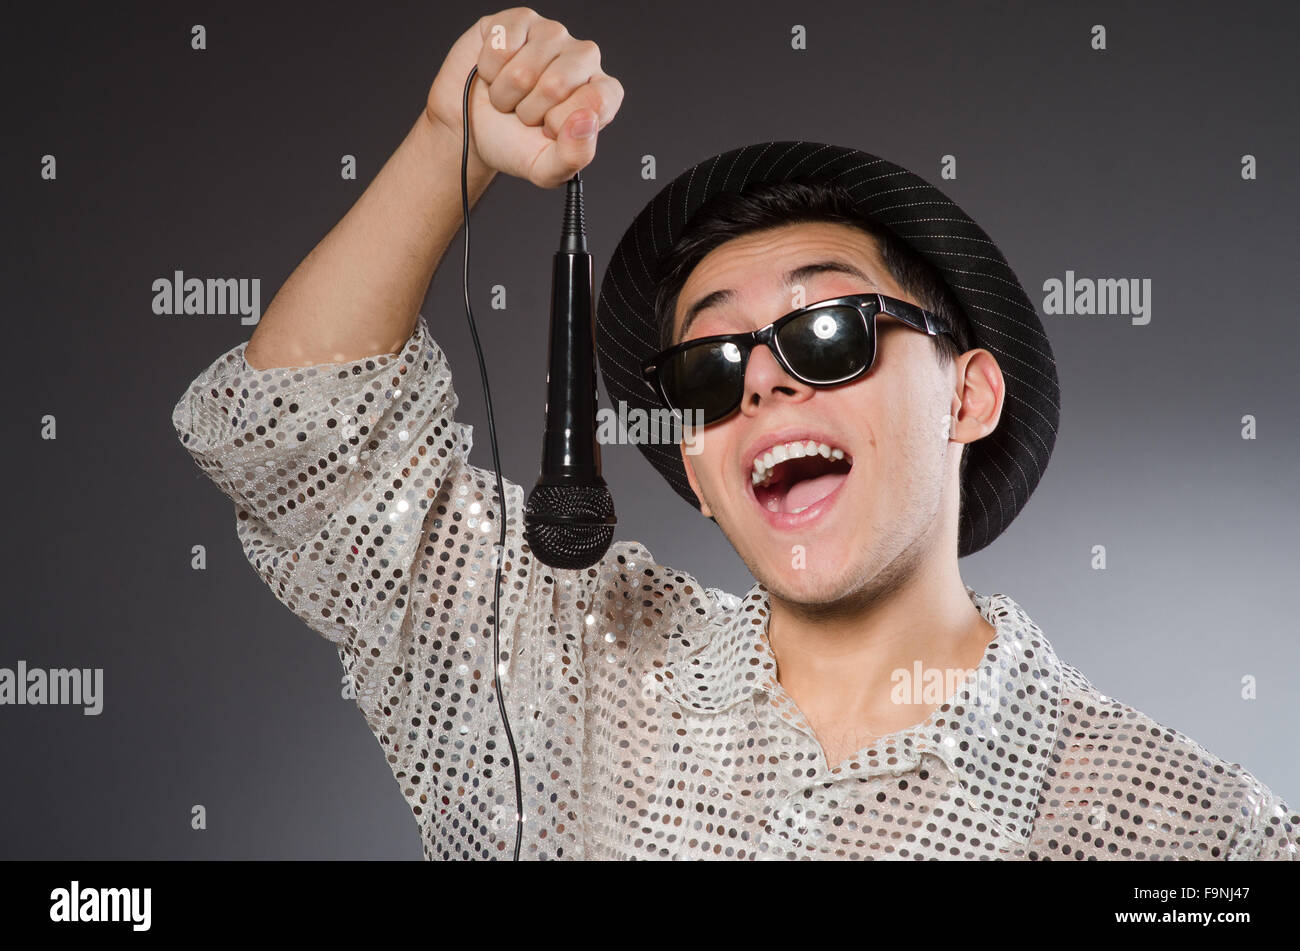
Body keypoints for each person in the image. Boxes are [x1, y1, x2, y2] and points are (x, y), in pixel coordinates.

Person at [171, 6, 1296, 860]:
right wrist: (443, 147)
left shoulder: (1185, 831)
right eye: (710, 365)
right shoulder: (560, 668)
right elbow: (310, 451)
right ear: (702, 478)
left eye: (823, 330)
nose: (759, 382)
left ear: (967, 397)